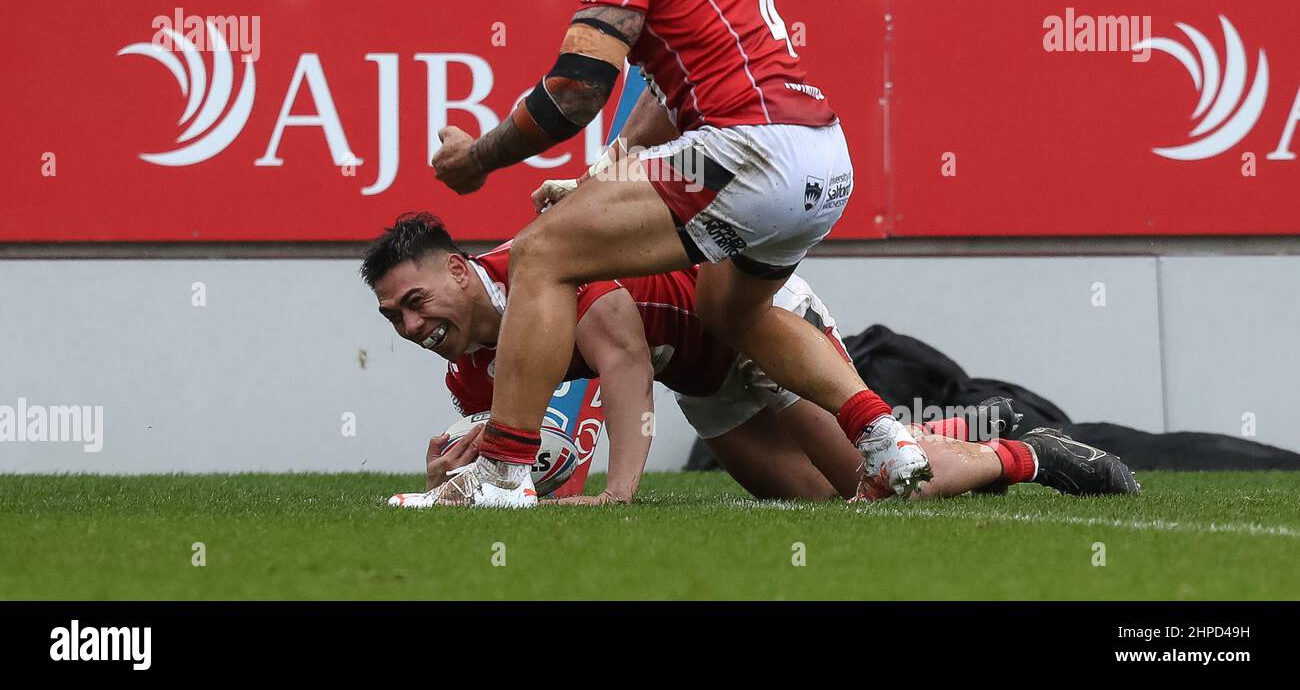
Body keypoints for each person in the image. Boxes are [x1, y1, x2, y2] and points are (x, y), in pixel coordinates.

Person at [427, 0, 932, 508]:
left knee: (538, 255)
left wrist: (479, 159)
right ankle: (883, 439)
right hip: (820, 157)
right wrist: (610, 176)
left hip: (750, 152)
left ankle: (501, 474)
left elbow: (573, 91)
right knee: (730, 313)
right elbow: (673, 89)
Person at [363, 213, 1140, 506]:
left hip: (753, 327)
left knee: (875, 489)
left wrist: (621, 493)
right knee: (828, 506)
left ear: (462, 270)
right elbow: (534, 468)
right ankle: (960, 449)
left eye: (415, 299)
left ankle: (1024, 455)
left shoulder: (541, 266)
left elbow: (626, 361)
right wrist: (456, 480)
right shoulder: (467, 369)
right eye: (393, 315)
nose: (409, 323)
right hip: (706, 382)